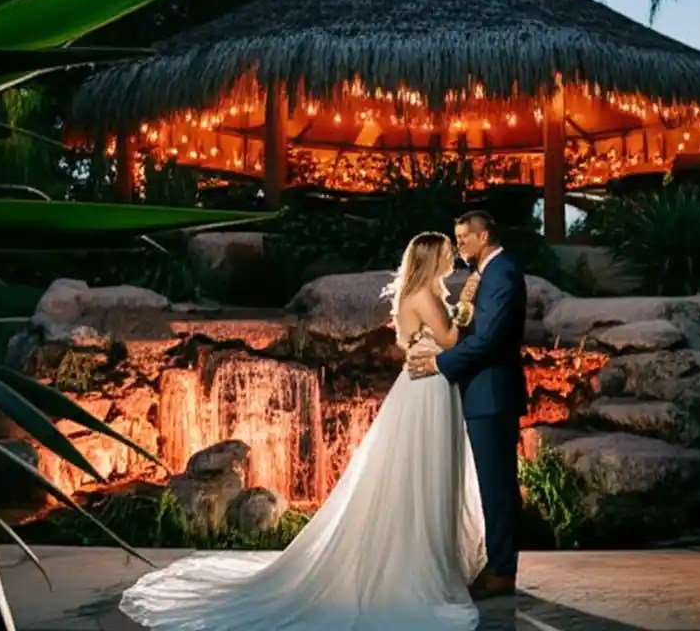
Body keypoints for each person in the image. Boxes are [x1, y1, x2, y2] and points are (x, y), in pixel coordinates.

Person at [119, 231, 487, 630]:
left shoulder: (413, 295)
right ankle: (421, 560)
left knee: (422, 472)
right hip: (429, 389)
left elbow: (411, 341)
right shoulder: (427, 297)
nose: (452, 259)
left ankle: (425, 553)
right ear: (432, 259)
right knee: (427, 471)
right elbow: (450, 338)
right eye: (447, 255)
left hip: (421, 384)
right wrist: (466, 302)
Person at [408, 210, 527, 601]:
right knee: (495, 485)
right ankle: (498, 565)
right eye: (456, 238)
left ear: (484, 234)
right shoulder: (487, 275)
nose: (459, 244)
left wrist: (441, 363)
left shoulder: (502, 273)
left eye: (464, 237)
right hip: (483, 393)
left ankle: (501, 571)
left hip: (492, 395)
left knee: (497, 486)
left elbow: (490, 338)